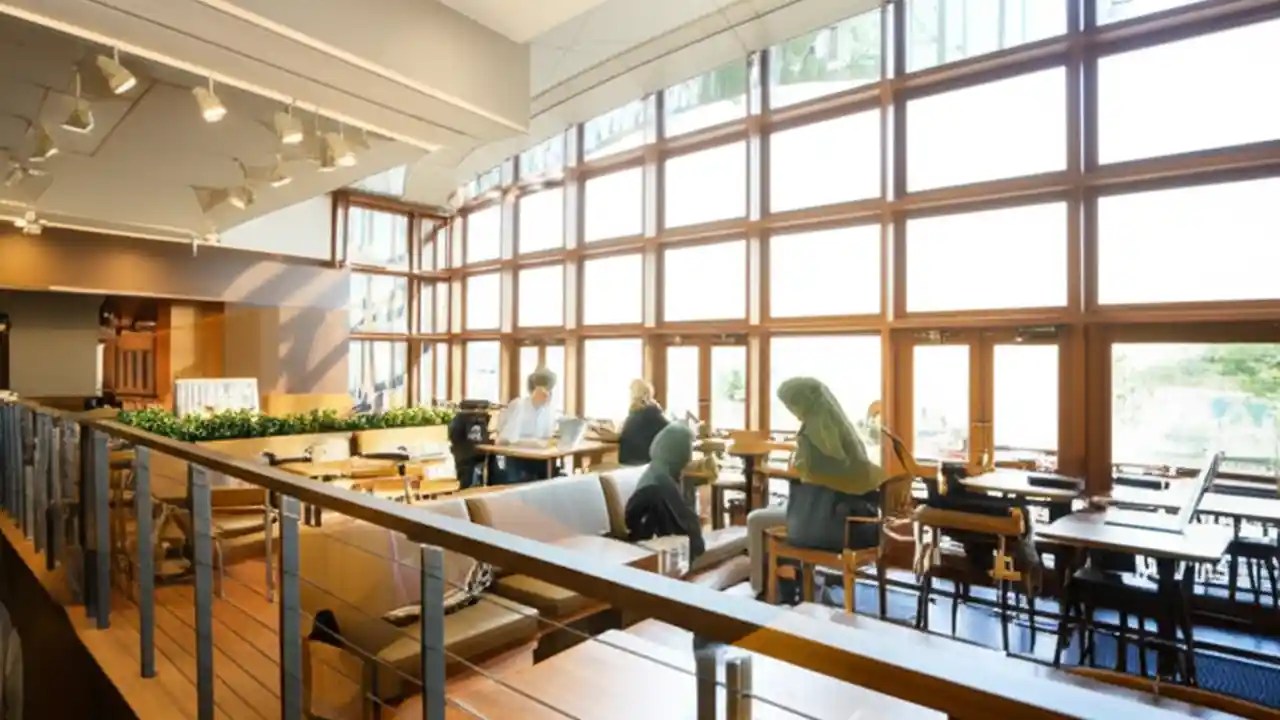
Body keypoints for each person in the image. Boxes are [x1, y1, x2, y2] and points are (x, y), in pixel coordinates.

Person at [747, 377, 887, 599]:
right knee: (782, 511)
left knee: (756, 519)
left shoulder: (816, 432)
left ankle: (759, 589)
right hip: (855, 515)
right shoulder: (838, 424)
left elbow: (811, 475)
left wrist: (780, 471)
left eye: (791, 404)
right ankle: (803, 583)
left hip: (829, 520)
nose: (792, 411)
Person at [624, 423, 705, 562]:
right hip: (656, 551)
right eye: (689, 449)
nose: (690, 456)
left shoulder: (658, 472)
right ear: (679, 451)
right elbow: (694, 539)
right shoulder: (660, 484)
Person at [496, 367, 559, 484]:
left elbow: (548, 435)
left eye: (550, 391)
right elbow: (507, 439)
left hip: (538, 456)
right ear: (535, 390)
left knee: (551, 473)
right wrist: (534, 444)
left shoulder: (548, 409)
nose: (548, 395)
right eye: (544, 391)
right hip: (515, 457)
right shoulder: (519, 405)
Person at [618, 379, 669, 466]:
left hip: (628, 463)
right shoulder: (652, 412)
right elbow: (671, 431)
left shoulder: (635, 414)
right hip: (644, 463)